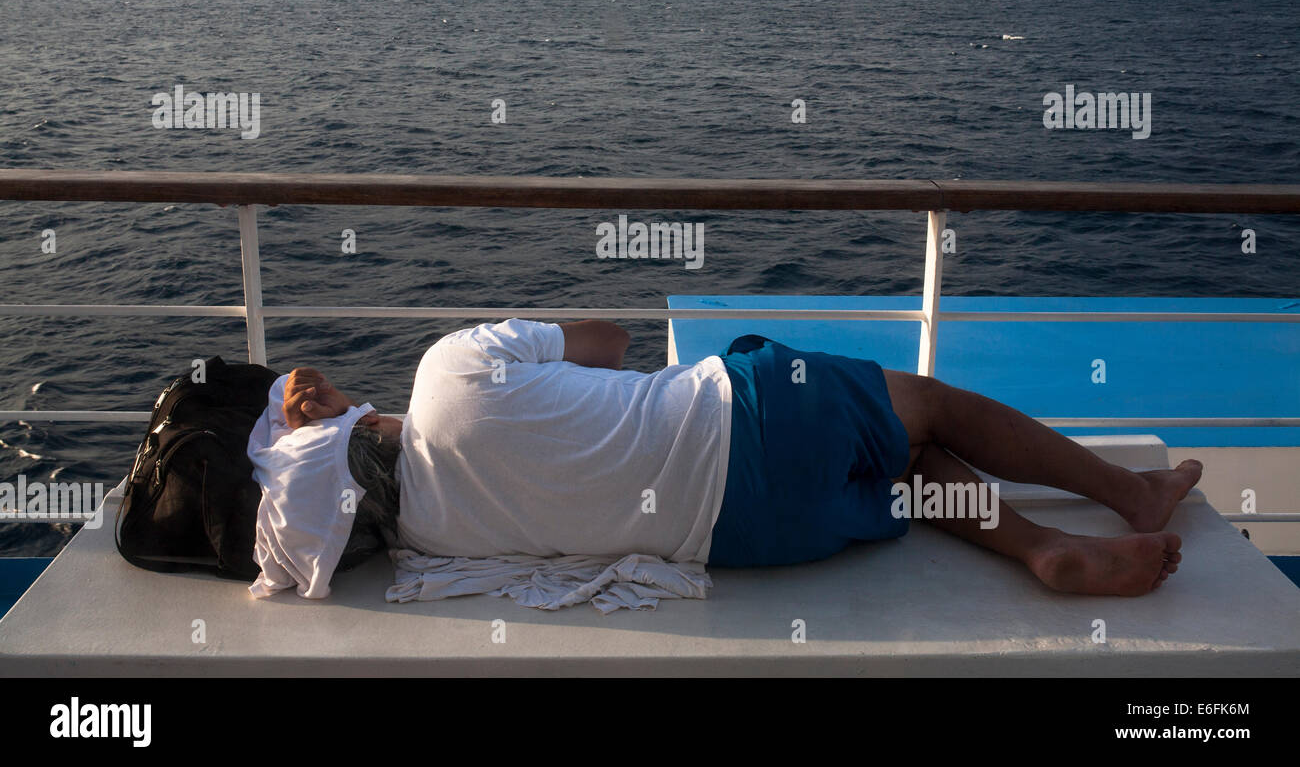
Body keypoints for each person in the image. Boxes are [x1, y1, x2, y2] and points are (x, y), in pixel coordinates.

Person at [280, 318, 1200, 598]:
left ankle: (1041, 547)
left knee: (908, 468)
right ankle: (1131, 490)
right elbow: (609, 341)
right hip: (744, 423)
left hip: (751, 536)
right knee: (929, 406)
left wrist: (362, 424)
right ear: (352, 425)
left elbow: (453, 459)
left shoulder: (432, 537)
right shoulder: (451, 368)